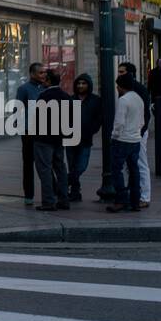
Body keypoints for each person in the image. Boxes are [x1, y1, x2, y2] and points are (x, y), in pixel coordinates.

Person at [107, 74, 145, 212]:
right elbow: (142, 121)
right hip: (135, 140)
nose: (117, 88)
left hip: (122, 140)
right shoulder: (138, 98)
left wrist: (114, 136)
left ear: (121, 87)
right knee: (134, 171)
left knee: (116, 170)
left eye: (118, 86)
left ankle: (121, 200)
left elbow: (119, 122)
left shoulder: (123, 100)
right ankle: (135, 201)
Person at [33, 69, 71, 211]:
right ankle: (64, 199)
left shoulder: (44, 96)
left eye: (44, 78)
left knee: (45, 170)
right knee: (60, 169)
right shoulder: (66, 96)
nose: (42, 80)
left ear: (48, 81)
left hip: (44, 139)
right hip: (59, 139)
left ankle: (48, 201)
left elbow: (38, 118)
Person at [118, 61, 151, 209]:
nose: (119, 74)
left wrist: (140, 133)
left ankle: (144, 196)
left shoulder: (139, 90)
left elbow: (145, 114)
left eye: (122, 72)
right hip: (130, 134)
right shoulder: (126, 89)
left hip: (137, 133)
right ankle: (135, 194)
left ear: (130, 74)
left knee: (140, 164)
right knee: (132, 165)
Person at [68, 73, 102, 202]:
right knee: (72, 166)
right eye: (79, 83)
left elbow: (98, 119)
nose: (81, 86)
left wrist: (92, 130)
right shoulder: (70, 99)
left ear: (89, 85)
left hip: (85, 139)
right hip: (70, 137)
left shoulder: (95, 100)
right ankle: (75, 192)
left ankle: (63, 182)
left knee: (81, 166)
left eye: (84, 83)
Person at [16, 61, 46, 207]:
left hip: (45, 131)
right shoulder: (24, 89)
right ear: (32, 74)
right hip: (29, 132)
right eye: (40, 72)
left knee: (46, 163)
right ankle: (29, 195)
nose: (44, 75)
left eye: (44, 72)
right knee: (28, 164)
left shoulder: (45, 88)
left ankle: (52, 193)